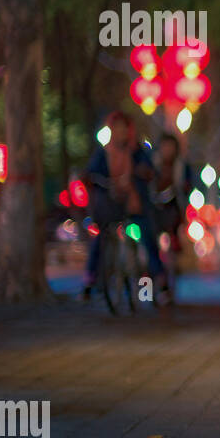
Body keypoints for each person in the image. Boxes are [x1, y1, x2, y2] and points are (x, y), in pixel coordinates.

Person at [82, 111, 165, 299]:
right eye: (116, 128)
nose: (120, 132)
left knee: (147, 238)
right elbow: (91, 173)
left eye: (123, 128)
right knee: (100, 238)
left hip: (136, 205)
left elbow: (150, 171)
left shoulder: (138, 151)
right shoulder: (103, 153)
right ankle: (90, 280)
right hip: (111, 206)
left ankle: (158, 282)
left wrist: (142, 173)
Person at [150, 132, 195, 299]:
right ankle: (145, 293)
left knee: (173, 238)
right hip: (154, 207)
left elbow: (188, 185)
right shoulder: (153, 163)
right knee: (150, 245)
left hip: (174, 207)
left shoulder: (182, 165)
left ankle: (172, 270)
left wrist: (183, 188)